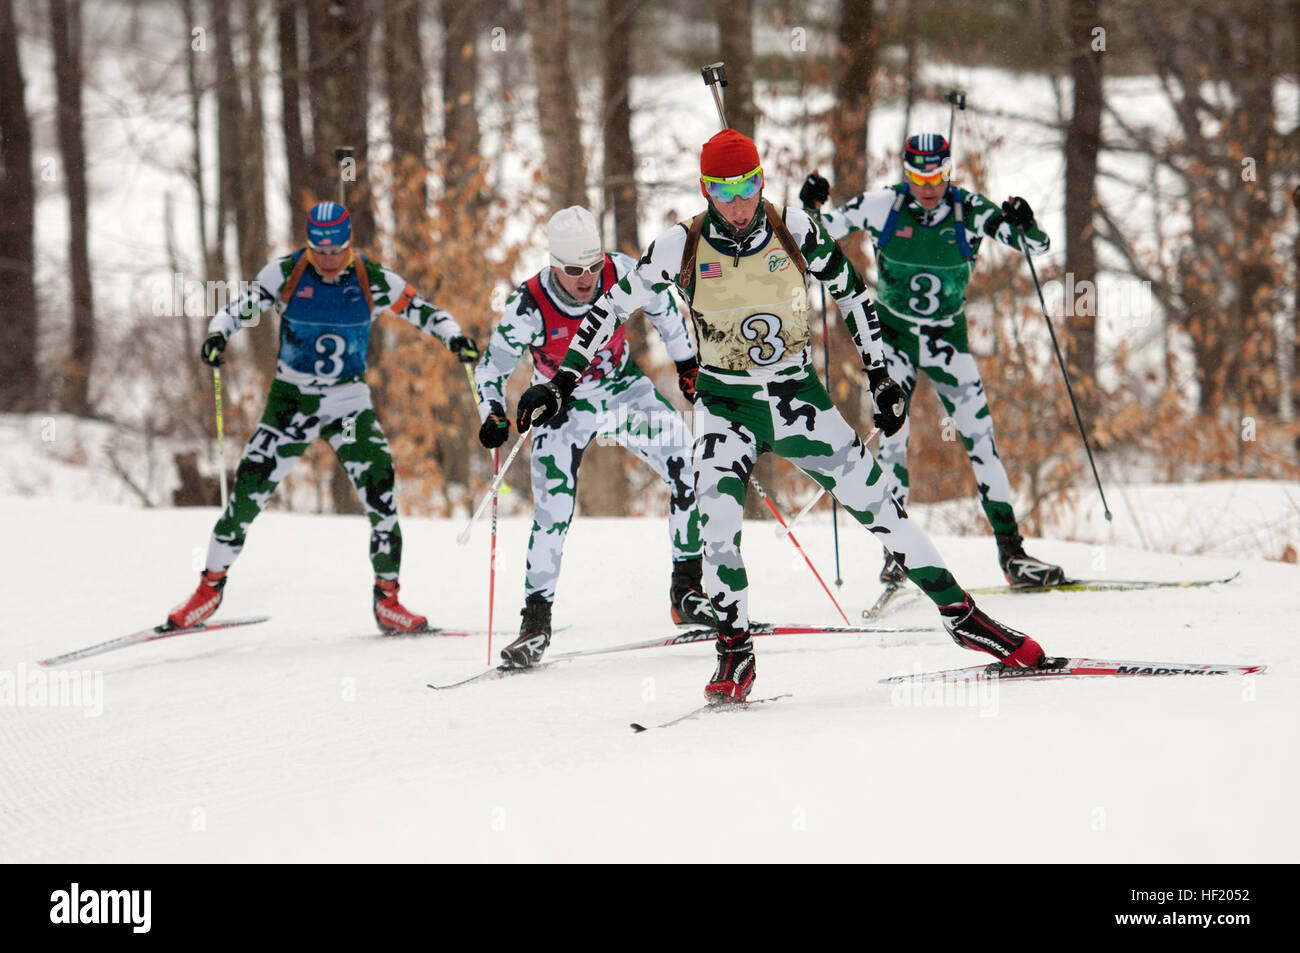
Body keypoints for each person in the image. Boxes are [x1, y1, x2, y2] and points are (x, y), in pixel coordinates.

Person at [514, 130, 1061, 704]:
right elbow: (610, 307)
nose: (739, 202)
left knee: (883, 509)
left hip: (796, 399)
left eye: (749, 186)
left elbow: (852, 293)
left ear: (762, 182)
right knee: (717, 523)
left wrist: (880, 375)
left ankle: (962, 615)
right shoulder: (680, 245)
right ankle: (735, 652)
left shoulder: (794, 229)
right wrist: (559, 381)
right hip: (726, 404)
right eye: (725, 192)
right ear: (705, 191)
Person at [165, 201, 479, 634]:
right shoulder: (287, 273)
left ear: (349, 244)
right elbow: (241, 307)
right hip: (290, 401)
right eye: (319, 251)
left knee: (382, 494)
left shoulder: (372, 278)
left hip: (348, 402)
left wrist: (455, 338)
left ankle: (388, 601)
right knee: (246, 495)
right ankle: (208, 590)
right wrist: (218, 335)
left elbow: (423, 309)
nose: (328, 261)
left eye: (336, 251)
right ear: (308, 245)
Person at [799, 134, 1065, 587]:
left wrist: (1027, 223)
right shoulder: (885, 204)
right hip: (895, 337)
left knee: (981, 439)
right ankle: (897, 554)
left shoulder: (968, 209)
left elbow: (1035, 246)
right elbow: (817, 235)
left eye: (937, 175)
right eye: (919, 175)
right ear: (907, 171)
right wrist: (811, 206)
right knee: (893, 438)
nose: (928, 185)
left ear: (948, 170)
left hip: (947, 339)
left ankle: (1012, 553)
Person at [475, 206, 709, 669]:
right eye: (574, 270)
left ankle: (687, 592)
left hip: (624, 390)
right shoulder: (529, 303)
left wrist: (686, 363)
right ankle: (535, 624)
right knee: (553, 510)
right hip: (564, 408)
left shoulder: (621, 271)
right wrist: (493, 413)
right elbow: (491, 367)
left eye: (593, 266)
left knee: (690, 466)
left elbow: (662, 305)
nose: (586, 280)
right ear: (554, 265)